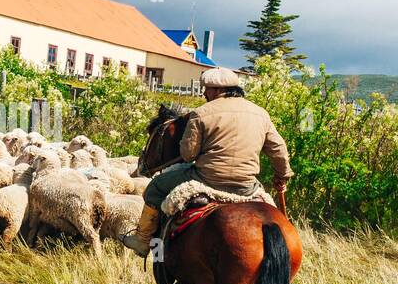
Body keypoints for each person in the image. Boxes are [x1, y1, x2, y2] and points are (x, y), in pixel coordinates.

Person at [120, 67, 294, 257]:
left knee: (154, 188)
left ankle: (143, 240)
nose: (204, 93)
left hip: (207, 179)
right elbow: (279, 150)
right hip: (246, 185)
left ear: (219, 90)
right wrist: (282, 176)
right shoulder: (261, 113)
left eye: (207, 89)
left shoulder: (201, 113)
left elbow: (187, 154)